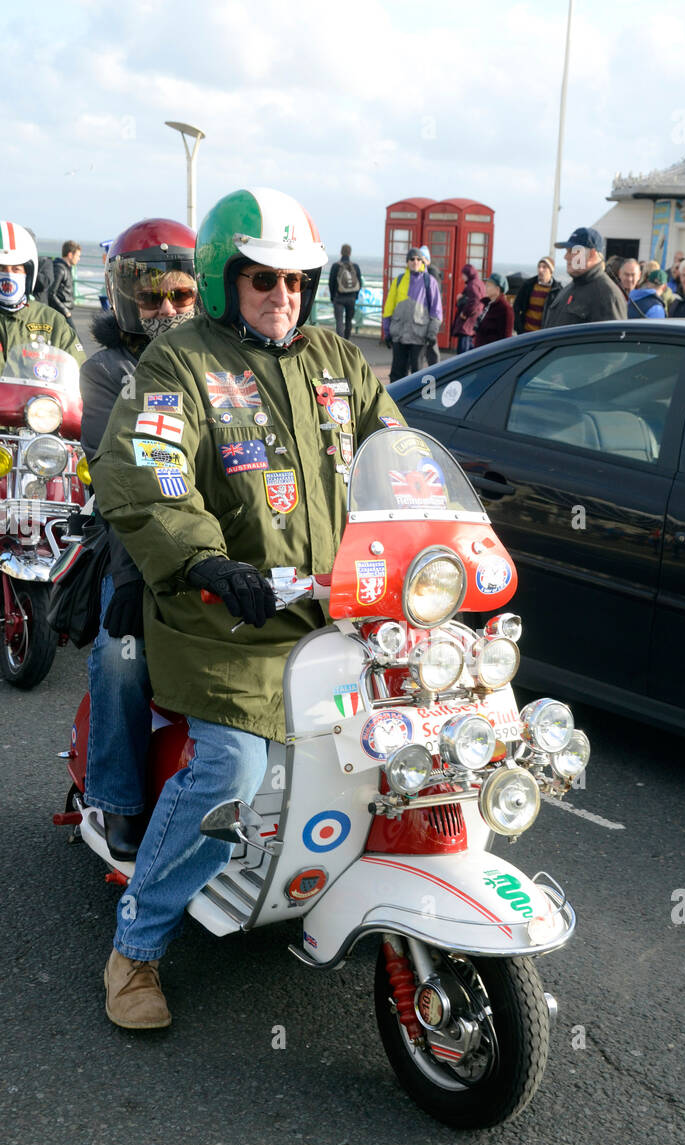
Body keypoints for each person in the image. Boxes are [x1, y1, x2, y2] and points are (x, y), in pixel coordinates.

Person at [90, 186, 406, 1029]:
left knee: (428, 730)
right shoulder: (178, 364)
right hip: (225, 618)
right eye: (263, 279)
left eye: (297, 280)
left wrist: (443, 515)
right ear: (227, 278)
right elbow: (148, 476)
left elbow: (394, 452)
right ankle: (138, 948)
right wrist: (206, 562)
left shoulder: (339, 359)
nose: (283, 296)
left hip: (337, 611)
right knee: (232, 768)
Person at [80, 218, 198, 862]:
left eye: (180, 296)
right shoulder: (106, 372)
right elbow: (118, 482)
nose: (167, 309)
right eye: (152, 296)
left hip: (222, 548)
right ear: (126, 297)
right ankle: (119, 798)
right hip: (134, 552)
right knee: (121, 657)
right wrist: (130, 577)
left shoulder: (221, 361)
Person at [0, 221, 85, 361]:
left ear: (29, 273)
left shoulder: (52, 321)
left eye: (16, 269)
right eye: (1, 268)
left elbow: (78, 371)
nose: (9, 275)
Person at [542, 227, 626, 328]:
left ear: (592, 253)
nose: (566, 257)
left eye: (573, 251)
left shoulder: (608, 296)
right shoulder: (570, 287)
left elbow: (612, 341)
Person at [382, 247, 442, 381]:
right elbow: (388, 308)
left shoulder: (429, 281)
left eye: (418, 259)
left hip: (419, 335)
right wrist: (387, 332)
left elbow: (436, 310)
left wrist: (432, 332)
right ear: (407, 262)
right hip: (399, 335)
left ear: (422, 262)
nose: (415, 262)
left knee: (417, 373)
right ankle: (394, 401)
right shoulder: (398, 281)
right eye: (412, 259)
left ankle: (415, 401)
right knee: (397, 373)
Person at [513, 256, 560, 333]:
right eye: (539, 266)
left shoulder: (557, 290)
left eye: (544, 267)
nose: (540, 270)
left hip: (543, 336)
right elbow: (516, 306)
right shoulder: (528, 285)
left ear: (551, 270)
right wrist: (518, 326)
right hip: (525, 333)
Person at [327, 243, 362, 341]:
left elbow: (331, 283)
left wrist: (332, 297)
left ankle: (341, 342)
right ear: (350, 253)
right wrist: (356, 296)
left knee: (339, 321)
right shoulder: (355, 266)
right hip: (351, 298)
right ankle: (347, 341)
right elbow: (359, 282)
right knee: (348, 321)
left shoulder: (335, 266)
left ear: (341, 252)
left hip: (339, 298)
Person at [417, 244, 443, 365]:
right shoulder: (428, 272)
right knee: (429, 347)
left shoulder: (431, 272)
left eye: (421, 259)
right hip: (423, 315)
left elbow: (433, 296)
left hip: (428, 315)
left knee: (431, 345)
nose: (419, 261)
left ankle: (436, 372)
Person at [450, 263, 485, 353]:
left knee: (463, 348)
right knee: (470, 344)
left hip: (468, 319)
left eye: (463, 274)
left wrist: (464, 313)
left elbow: (475, 300)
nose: (462, 277)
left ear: (467, 274)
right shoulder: (479, 283)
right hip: (476, 317)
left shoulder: (472, 285)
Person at [474, 272, 514, 347]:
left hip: (489, 354)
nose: (485, 287)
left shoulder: (506, 309)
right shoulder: (488, 304)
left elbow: (506, 339)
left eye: (489, 285)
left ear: (497, 289)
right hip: (479, 351)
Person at [48, 240, 82, 322]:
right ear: (70, 255)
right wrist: (65, 311)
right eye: (77, 256)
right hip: (60, 312)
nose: (79, 259)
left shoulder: (66, 268)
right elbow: (51, 293)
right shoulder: (60, 269)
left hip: (63, 311)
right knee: (73, 334)